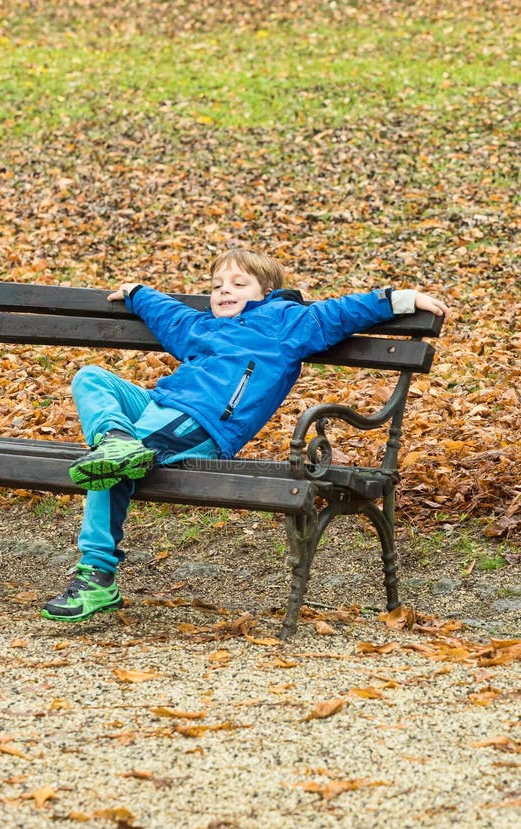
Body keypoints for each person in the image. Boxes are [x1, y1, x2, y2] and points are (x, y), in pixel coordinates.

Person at [41, 248, 449, 622]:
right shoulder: (202, 327)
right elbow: (170, 315)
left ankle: (97, 575)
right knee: (91, 377)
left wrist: (402, 299)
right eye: (217, 285)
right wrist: (136, 292)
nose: (224, 291)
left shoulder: (285, 322)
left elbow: (339, 314)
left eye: (238, 283)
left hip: (202, 424)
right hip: (156, 407)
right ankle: (116, 437)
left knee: (108, 469)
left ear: (265, 291)